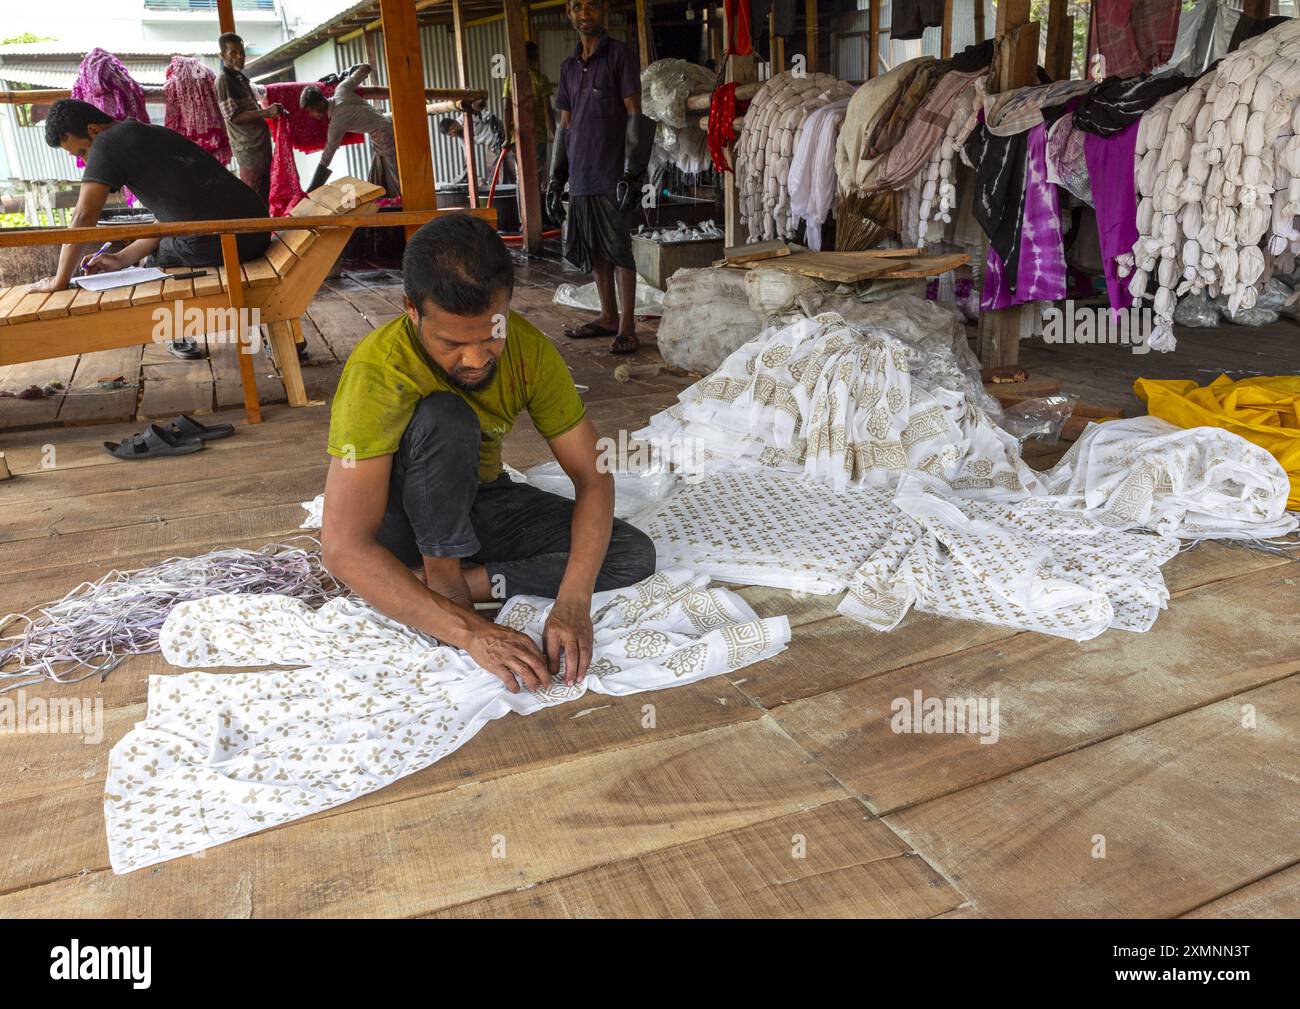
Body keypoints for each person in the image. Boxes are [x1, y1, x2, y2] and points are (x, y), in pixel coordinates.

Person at [320, 214, 656, 693]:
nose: (476, 359)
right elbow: (343, 548)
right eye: (452, 343)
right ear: (412, 311)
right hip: (402, 522)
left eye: (490, 336)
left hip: (477, 500)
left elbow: (594, 476)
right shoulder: (378, 371)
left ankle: (438, 583)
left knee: (629, 555)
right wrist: (471, 631)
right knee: (446, 416)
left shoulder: (529, 349)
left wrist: (572, 602)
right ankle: (442, 582)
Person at [30, 99, 272, 361]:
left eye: (81, 152)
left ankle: (178, 332)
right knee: (167, 245)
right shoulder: (145, 132)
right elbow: (174, 219)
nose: (86, 160)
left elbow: (83, 216)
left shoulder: (106, 143)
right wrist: (121, 259)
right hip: (256, 230)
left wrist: (59, 281)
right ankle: (275, 332)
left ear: (93, 130)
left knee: (157, 260)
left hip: (223, 240)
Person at [548, 0, 655, 356]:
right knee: (594, 247)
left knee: (618, 248)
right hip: (580, 169)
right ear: (568, 12)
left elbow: (635, 113)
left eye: (591, 6)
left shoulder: (619, 56)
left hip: (611, 169)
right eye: (577, 6)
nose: (584, 13)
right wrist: (555, 178)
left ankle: (627, 326)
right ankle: (607, 316)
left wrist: (633, 172)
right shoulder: (567, 67)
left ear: (605, 10)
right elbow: (564, 126)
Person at [300, 64, 400, 196]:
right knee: (383, 176)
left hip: (384, 137)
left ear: (319, 104)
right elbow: (365, 68)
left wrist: (310, 191)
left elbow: (327, 157)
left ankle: (411, 207)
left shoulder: (337, 123)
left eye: (311, 110)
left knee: (397, 179)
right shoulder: (341, 89)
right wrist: (349, 71)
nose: (311, 115)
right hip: (385, 128)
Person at [215, 32, 283, 204]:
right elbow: (234, 117)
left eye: (242, 52)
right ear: (222, 56)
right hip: (249, 150)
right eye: (233, 53)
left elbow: (250, 107)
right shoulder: (224, 80)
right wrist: (266, 112)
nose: (240, 56)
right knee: (254, 199)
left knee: (265, 196)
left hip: (259, 148)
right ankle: (255, 231)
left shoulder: (240, 78)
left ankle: (266, 229)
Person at [502, 40, 556, 176]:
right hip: (538, 137)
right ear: (535, 58)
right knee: (535, 176)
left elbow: (506, 111)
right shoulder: (541, 80)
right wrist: (555, 136)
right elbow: (548, 111)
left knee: (521, 176)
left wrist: (507, 138)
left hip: (517, 137)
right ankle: (535, 198)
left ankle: (522, 198)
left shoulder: (510, 81)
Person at [437, 102, 508, 185]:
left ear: (452, 128)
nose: (452, 137)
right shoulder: (461, 137)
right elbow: (467, 155)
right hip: (492, 146)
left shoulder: (469, 116)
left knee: (504, 173)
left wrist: (502, 135)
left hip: (502, 139)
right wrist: (464, 174)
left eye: (450, 134)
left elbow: (490, 117)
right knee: (493, 176)